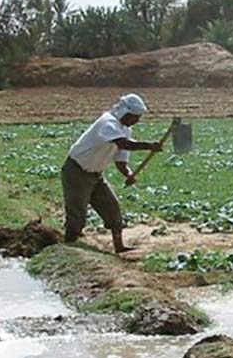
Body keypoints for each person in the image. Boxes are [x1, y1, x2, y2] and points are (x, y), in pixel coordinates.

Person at [62, 93, 163, 253]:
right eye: (135, 117)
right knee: (77, 213)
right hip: (77, 172)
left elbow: (121, 160)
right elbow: (123, 144)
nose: (137, 121)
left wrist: (128, 174)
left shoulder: (125, 129)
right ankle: (69, 247)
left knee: (112, 209)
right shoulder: (107, 122)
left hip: (96, 174)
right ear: (124, 112)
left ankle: (119, 246)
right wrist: (148, 145)